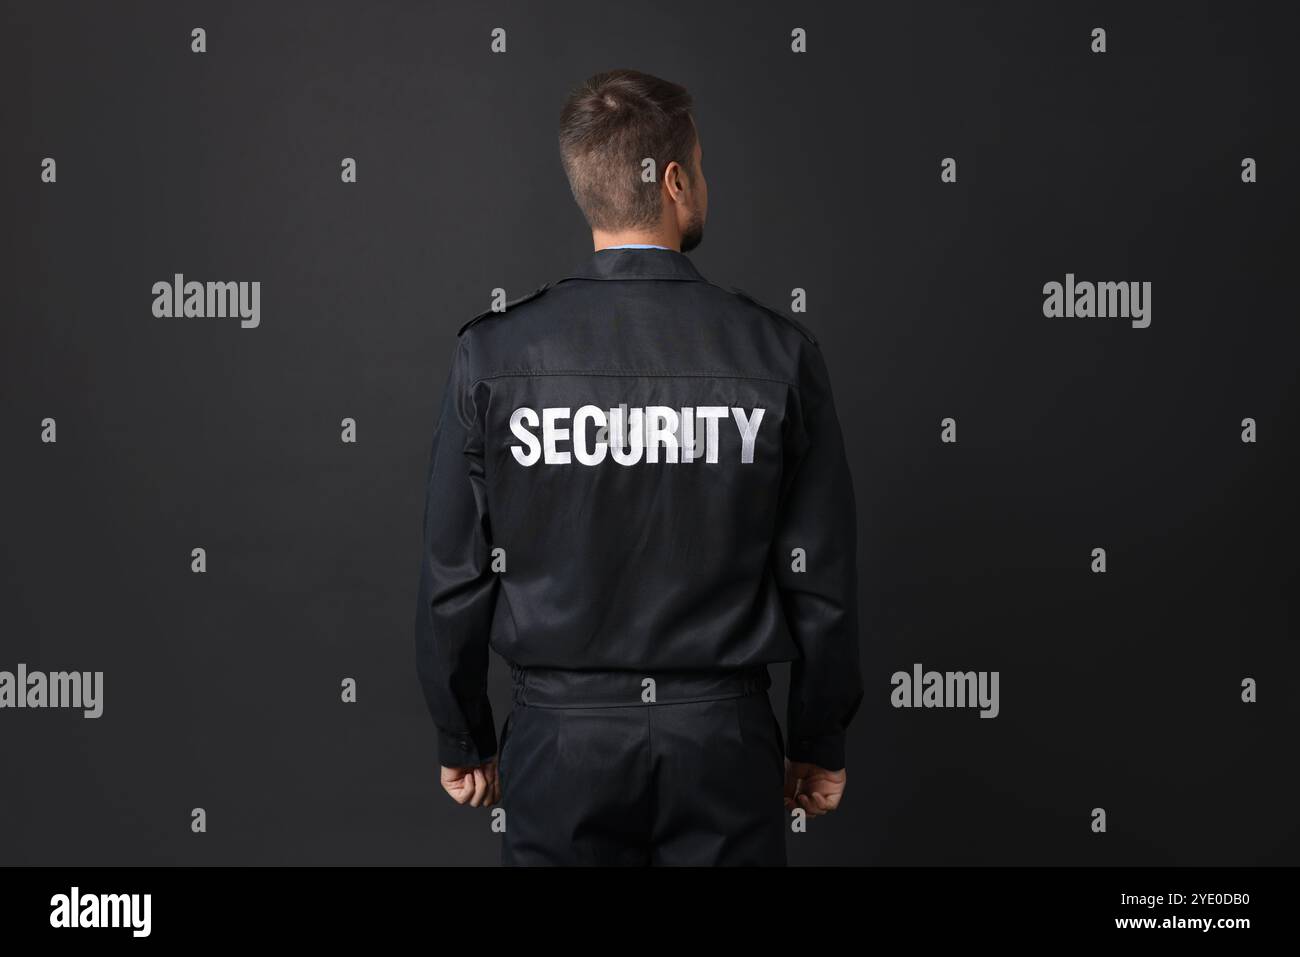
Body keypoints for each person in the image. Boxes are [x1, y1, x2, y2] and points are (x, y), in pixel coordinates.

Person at [415, 69, 863, 865]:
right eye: (703, 168)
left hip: (561, 744)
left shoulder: (492, 355)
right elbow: (820, 579)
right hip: (722, 741)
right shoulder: (778, 354)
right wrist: (818, 736)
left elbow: (455, 575)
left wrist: (463, 731)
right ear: (675, 180)